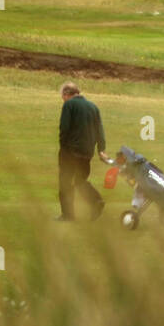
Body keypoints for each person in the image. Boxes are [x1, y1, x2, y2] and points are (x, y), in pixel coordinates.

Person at [56, 81, 111, 221]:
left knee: (65, 182)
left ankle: (68, 215)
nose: (62, 99)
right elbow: (100, 130)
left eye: (62, 96)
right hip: (87, 152)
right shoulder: (93, 107)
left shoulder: (69, 105)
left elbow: (64, 128)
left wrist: (63, 147)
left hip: (70, 151)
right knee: (80, 181)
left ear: (67, 94)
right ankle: (96, 202)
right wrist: (101, 150)